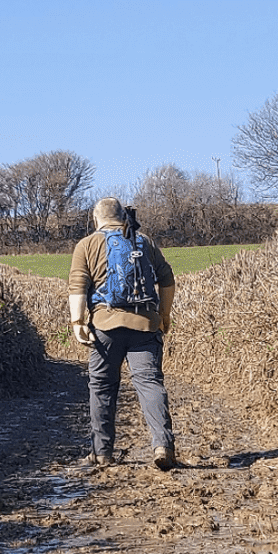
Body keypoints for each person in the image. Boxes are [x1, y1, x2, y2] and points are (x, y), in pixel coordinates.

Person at [68, 198, 177, 468]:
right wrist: (164, 315)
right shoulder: (145, 242)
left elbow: (78, 284)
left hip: (105, 327)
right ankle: (162, 445)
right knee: (149, 383)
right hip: (145, 325)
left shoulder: (87, 244)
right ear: (123, 217)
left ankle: (102, 453)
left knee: (102, 386)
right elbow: (167, 279)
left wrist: (78, 321)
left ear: (96, 219)